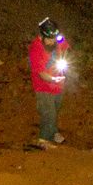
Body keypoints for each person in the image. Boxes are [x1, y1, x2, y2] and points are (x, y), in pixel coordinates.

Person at [28, 16, 71, 145]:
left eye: (54, 39)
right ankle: (44, 140)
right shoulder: (35, 49)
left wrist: (63, 58)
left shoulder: (57, 38)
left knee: (55, 110)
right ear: (41, 37)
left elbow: (66, 47)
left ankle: (53, 132)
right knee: (48, 113)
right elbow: (41, 74)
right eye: (49, 39)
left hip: (57, 86)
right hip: (44, 87)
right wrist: (54, 79)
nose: (53, 42)